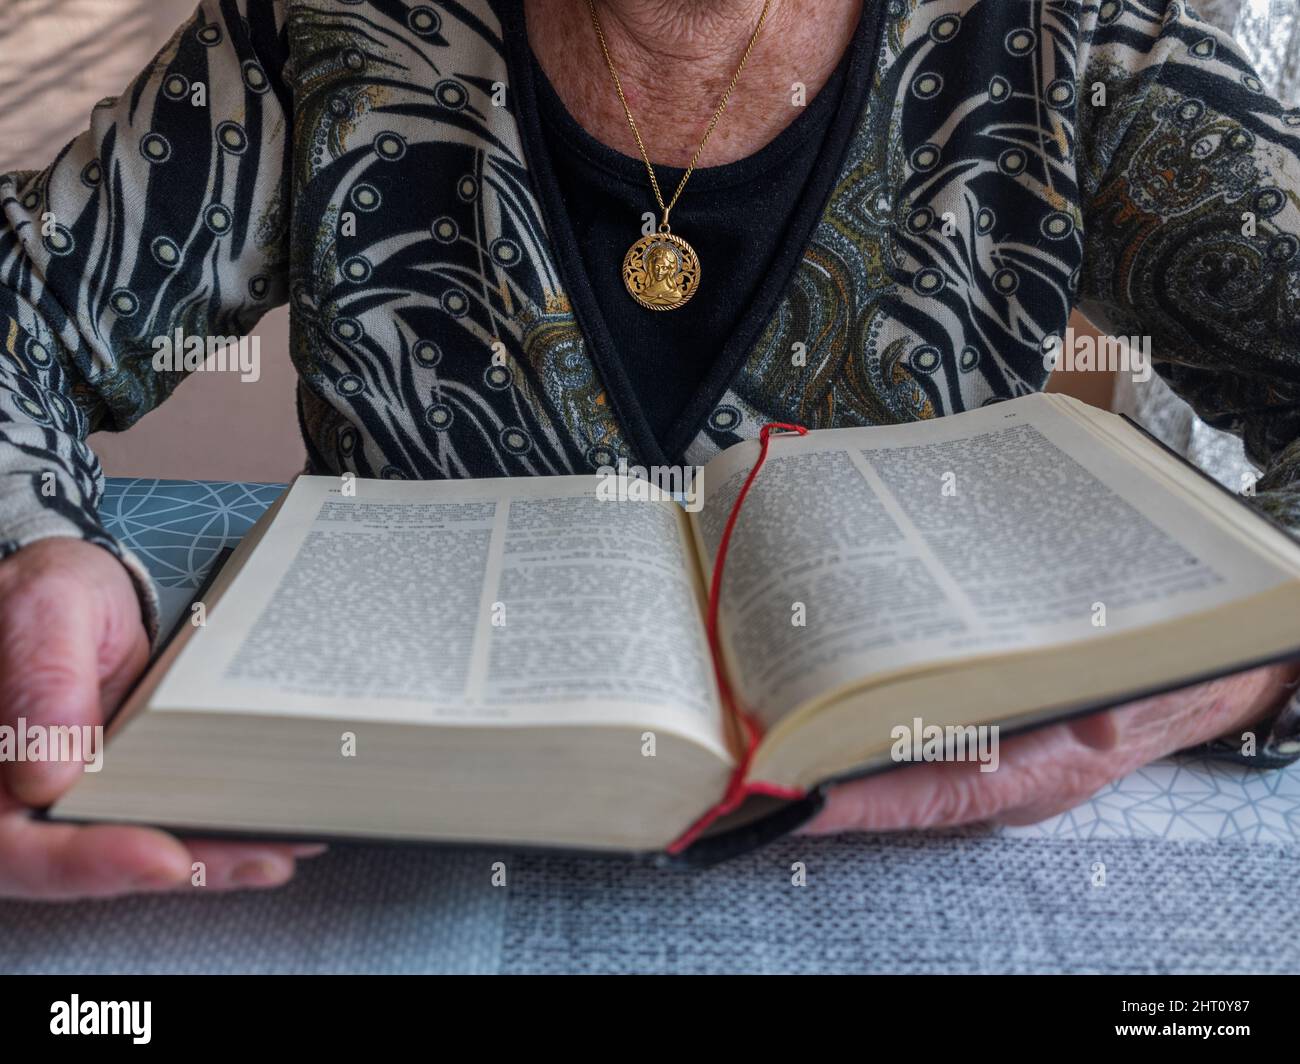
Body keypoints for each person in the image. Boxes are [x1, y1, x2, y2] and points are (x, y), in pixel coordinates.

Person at [1, 0, 1298, 899]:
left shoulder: (1079, 41)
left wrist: (1234, 677)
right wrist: (42, 552)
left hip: (925, 892)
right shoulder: (321, 33)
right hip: (378, 863)